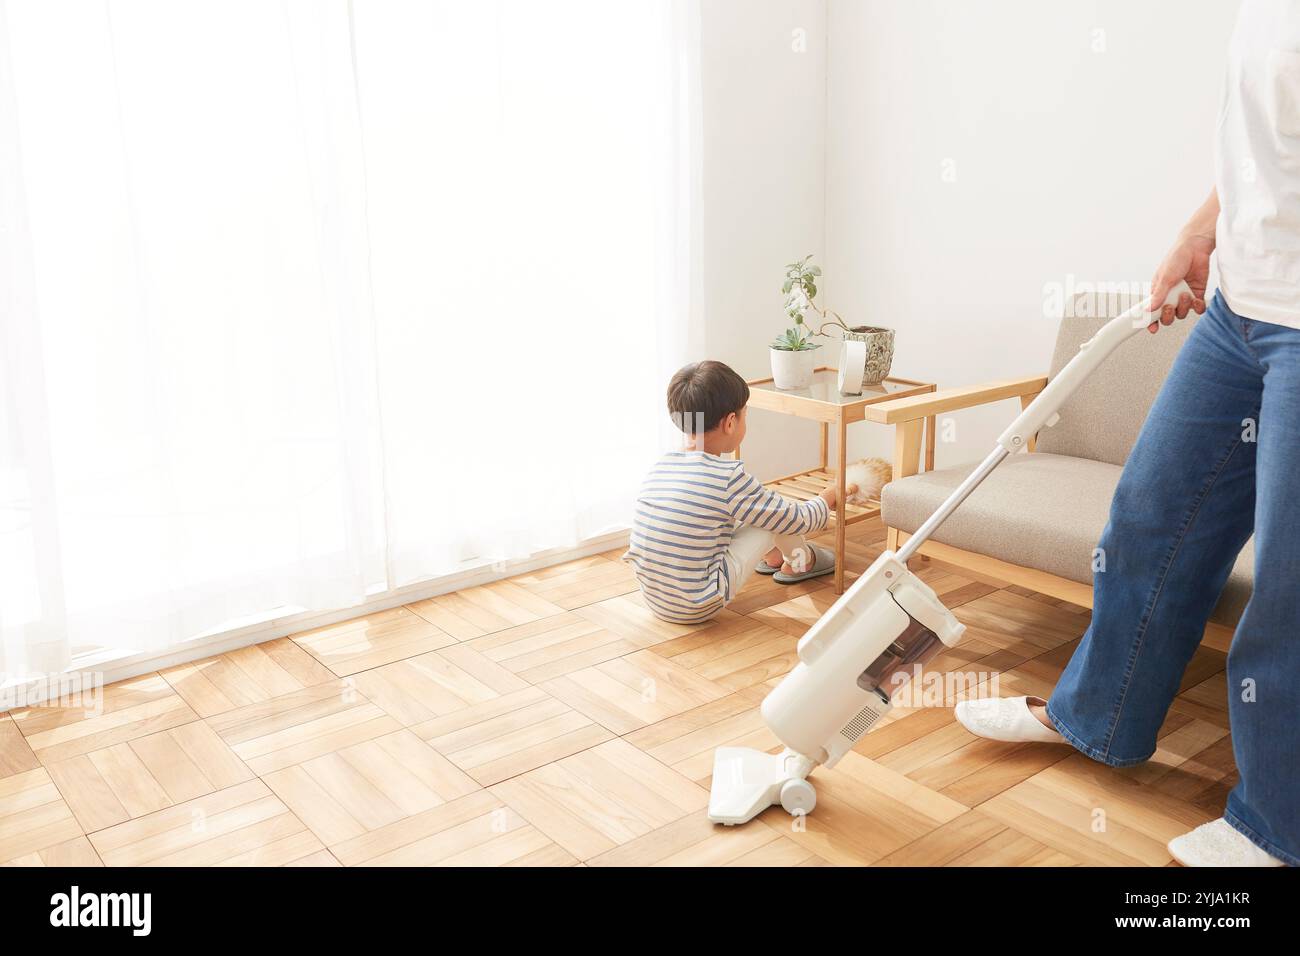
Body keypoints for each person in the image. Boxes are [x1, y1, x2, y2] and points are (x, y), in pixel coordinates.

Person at [956, 0, 1300, 866]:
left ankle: (1277, 824)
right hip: (1238, 313)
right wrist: (1200, 230)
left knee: (1290, 593)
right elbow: (1264, 150)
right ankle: (1096, 717)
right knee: (1151, 520)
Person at [622, 360, 854, 624]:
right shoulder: (727, 477)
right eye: (745, 414)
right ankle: (802, 562)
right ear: (731, 422)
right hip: (697, 604)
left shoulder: (661, 466)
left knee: (751, 509)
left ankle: (777, 554)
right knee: (774, 516)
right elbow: (793, 519)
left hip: (656, 600)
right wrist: (827, 499)